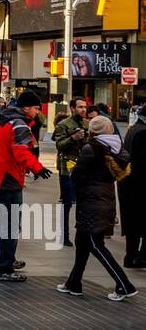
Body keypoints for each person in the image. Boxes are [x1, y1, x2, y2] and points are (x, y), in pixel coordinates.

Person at [58, 115, 137, 302]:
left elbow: (78, 175)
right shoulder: (115, 146)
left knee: (94, 243)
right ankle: (74, 282)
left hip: (91, 201)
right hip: (104, 199)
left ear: (93, 131)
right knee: (83, 241)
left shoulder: (91, 148)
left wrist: (73, 171)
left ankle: (124, 285)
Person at [0, 90, 53, 283]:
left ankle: (8, 259)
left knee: (7, 222)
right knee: (11, 224)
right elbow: (21, 152)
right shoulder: (19, 124)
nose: (38, 111)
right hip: (8, 180)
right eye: (36, 107)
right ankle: (4, 268)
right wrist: (38, 167)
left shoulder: (5, 120)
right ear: (26, 108)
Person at [52, 98, 88, 248]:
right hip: (67, 168)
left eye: (85, 107)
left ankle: (82, 234)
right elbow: (59, 145)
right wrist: (73, 138)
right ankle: (64, 235)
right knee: (67, 203)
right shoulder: (63, 125)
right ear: (72, 108)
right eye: (80, 107)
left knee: (83, 203)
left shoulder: (87, 124)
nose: (83, 110)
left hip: (83, 168)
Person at [119, 103, 146, 269]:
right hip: (139, 186)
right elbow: (143, 163)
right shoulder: (143, 132)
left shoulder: (133, 129)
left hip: (129, 184)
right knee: (138, 223)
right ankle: (139, 257)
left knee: (133, 224)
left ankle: (131, 256)